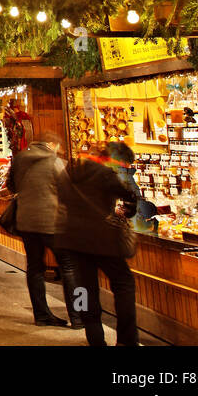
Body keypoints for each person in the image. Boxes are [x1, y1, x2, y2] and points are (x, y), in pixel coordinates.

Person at [55, 142, 142, 346]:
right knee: (124, 284)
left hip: (72, 239)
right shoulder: (104, 174)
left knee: (83, 290)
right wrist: (125, 211)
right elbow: (129, 197)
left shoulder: (65, 174)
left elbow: (60, 198)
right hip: (103, 238)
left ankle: (93, 336)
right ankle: (127, 339)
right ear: (103, 158)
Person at [8, 130, 80, 328]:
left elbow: (11, 186)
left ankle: (41, 315)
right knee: (70, 266)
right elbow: (69, 191)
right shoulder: (55, 162)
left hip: (26, 222)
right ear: (51, 144)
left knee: (35, 268)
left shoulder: (19, 159)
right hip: (53, 222)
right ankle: (78, 315)